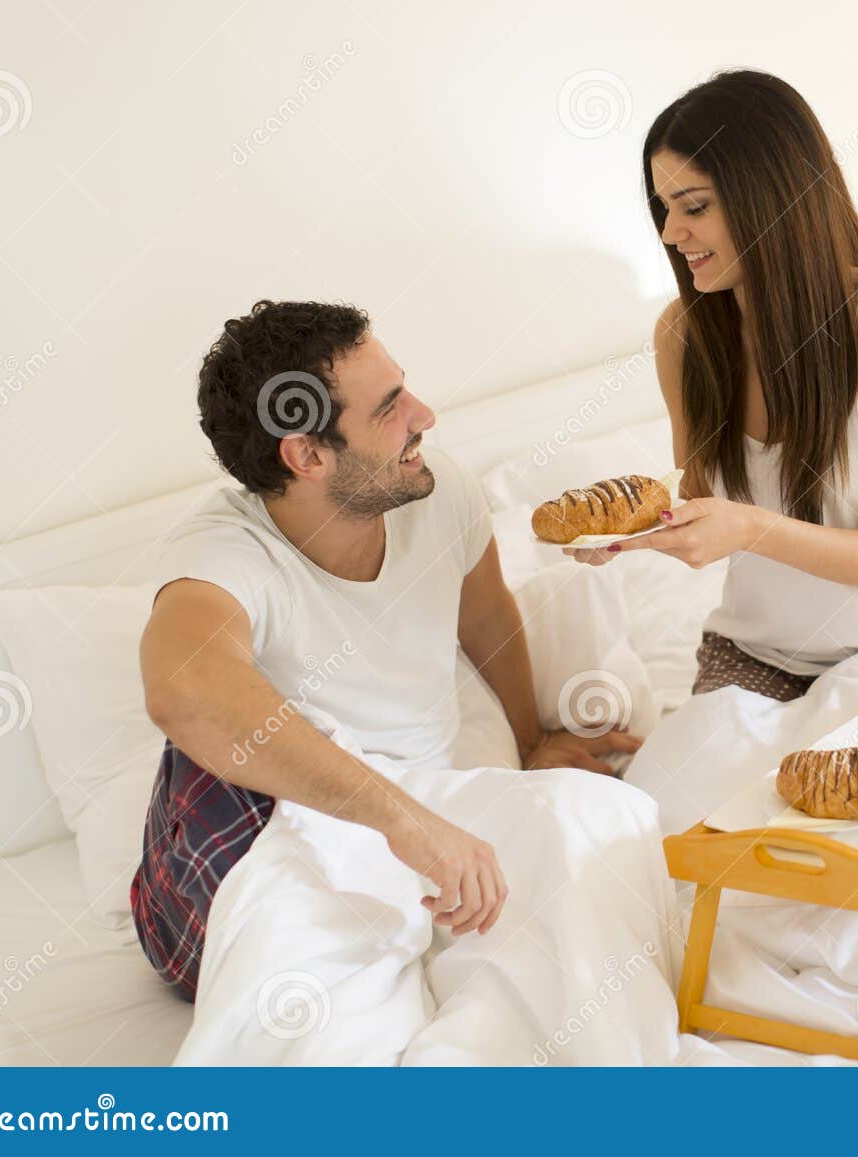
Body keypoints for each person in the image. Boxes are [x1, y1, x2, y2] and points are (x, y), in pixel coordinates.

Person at [131, 300, 638, 1000]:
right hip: (290, 825)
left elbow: (485, 613)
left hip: (428, 803)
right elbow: (182, 689)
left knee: (612, 823)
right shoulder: (224, 552)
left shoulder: (438, 490)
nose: (424, 416)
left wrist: (530, 741)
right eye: (391, 407)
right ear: (306, 454)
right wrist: (404, 821)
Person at [570, 70, 858, 701]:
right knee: (683, 798)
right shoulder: (684, 335)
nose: (669, 234)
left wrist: (749, 530)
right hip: (754, 654)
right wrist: (627, 532)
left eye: (695, 206)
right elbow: (704, 499)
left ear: (772, 195)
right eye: (664, 208)